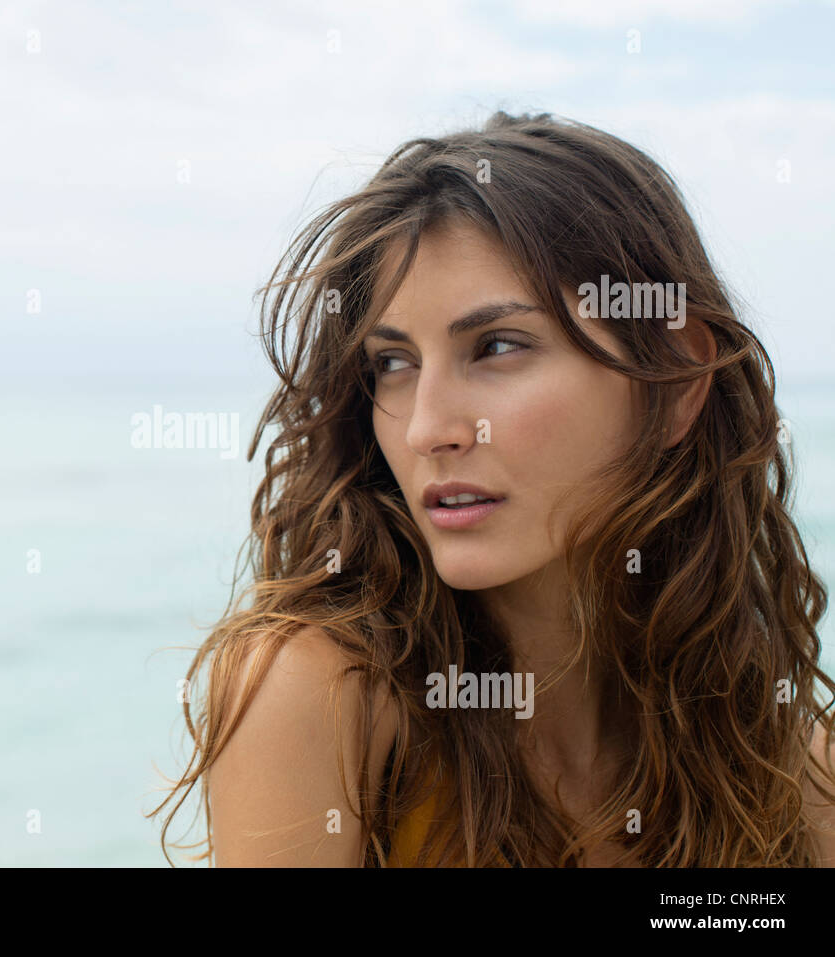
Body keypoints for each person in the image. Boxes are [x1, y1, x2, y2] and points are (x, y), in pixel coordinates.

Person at [149, 111, 835, 867]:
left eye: (498, 346)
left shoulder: (783, 767)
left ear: (674, 382)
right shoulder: (325, 696)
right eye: (393, 363)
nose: (428, 429)